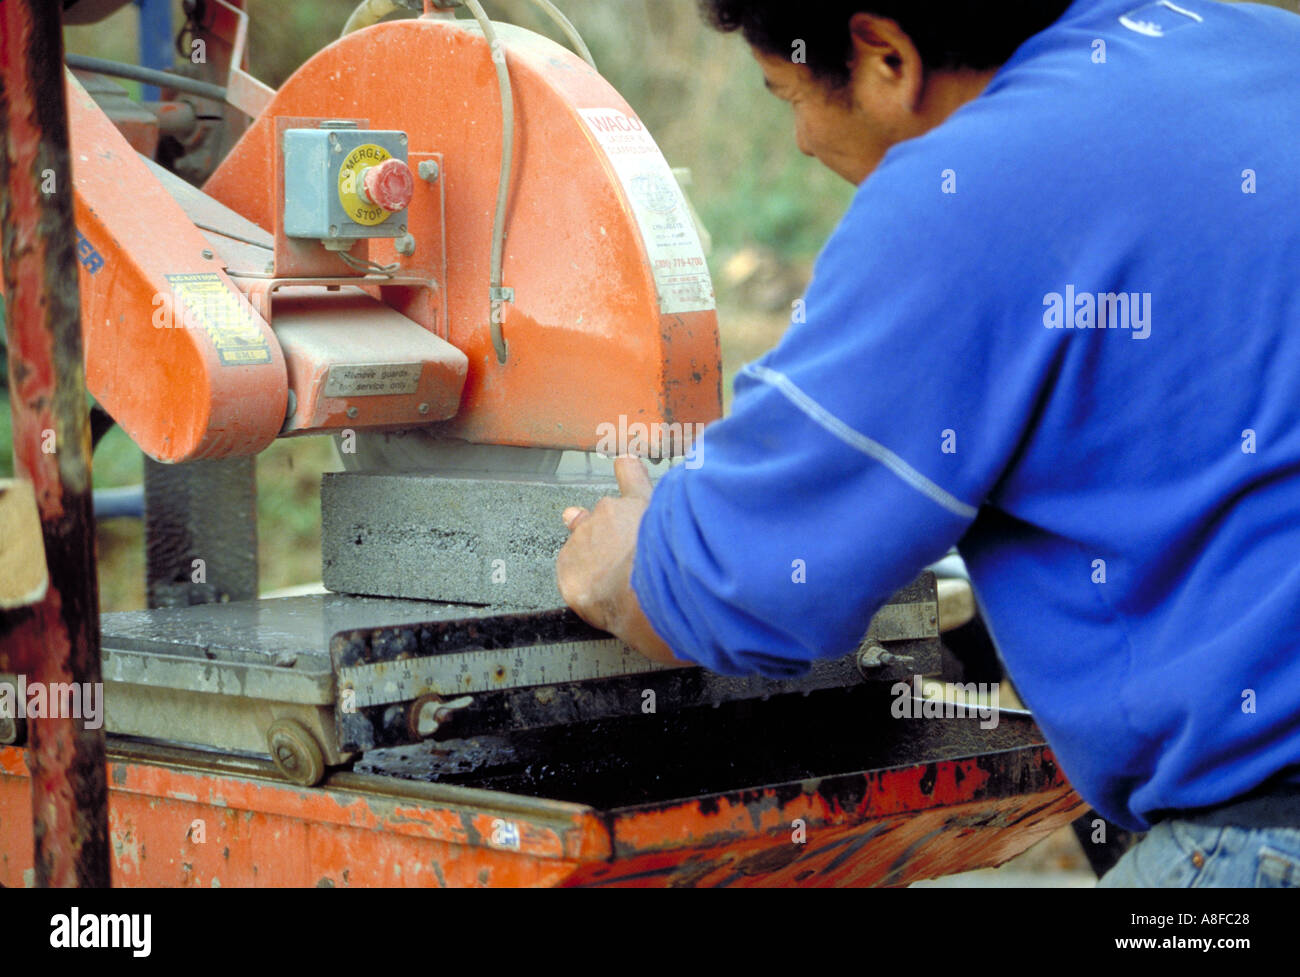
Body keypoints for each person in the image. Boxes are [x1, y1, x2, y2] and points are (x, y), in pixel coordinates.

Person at [556, 0, 1300, 887]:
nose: (796, 138)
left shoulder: (972, 184)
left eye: (786, 91)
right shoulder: (1255, 41)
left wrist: (624, 559)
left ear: (884, 57)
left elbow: (742, 577)